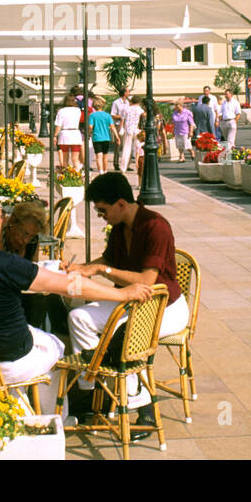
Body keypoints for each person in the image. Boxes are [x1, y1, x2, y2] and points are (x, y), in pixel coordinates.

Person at [0, 188, 150, 414]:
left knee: (36, 337)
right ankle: (55, 419)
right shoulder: (3, 264)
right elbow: (70, 286)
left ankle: (18, 406)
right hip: (4, 362)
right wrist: (123, 294)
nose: (3, 219)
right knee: (56, 347)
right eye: (0, 215)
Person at [62, 172, 190, 433]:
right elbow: (108, 261)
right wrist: (82, 268)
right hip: (132, 303)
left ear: (121, 204)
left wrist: (98, 272)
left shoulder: (155, 226)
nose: (100, 216)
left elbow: (146, 279)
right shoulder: (119, 228)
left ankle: (142, 406)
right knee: (78, 318)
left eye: (102, 210)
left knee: (121, 336)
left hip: (165, 309)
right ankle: (93, 388)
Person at [53, 95, 83, 171]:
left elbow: (58, 125)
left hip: (64, 134)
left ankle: (65, 176)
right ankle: (77, 174)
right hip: (75, 134)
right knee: (75, 159)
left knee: (65, 158)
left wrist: (55, 135)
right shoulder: (78, 110)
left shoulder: (61, 111)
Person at [86, 96, 115, 174]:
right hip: (106, 137)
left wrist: (89, 133)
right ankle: (105, 171)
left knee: (99, 156)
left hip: (97, 137)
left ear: (94, 106)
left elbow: (90, 126)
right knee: (105, 156)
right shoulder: (107, 115)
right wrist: (117, 136)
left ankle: (101, 172)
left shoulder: (92, 115)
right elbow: (112, 126)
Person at [117, 96, 144, 173]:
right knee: (138, 149)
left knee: (126, 148)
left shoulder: (127, 109)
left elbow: (122, 120)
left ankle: (123, 168)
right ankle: (139, 167)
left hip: (128, 129)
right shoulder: (140, 110)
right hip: (137, 130)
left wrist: (121, 128)